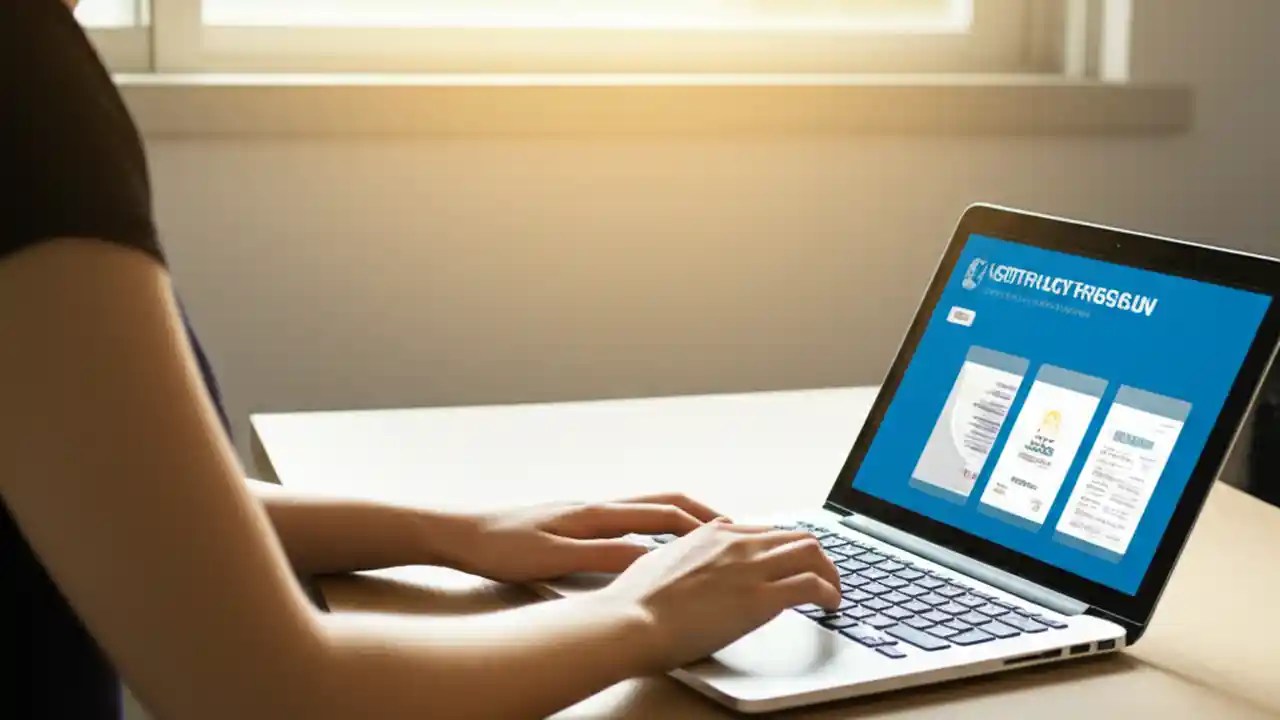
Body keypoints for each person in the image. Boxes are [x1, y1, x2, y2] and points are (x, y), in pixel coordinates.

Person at [1, 1, 842, 717]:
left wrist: (447, 534)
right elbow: (267, 691)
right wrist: (642, 617)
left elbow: (118, 503)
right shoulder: (26, 86)